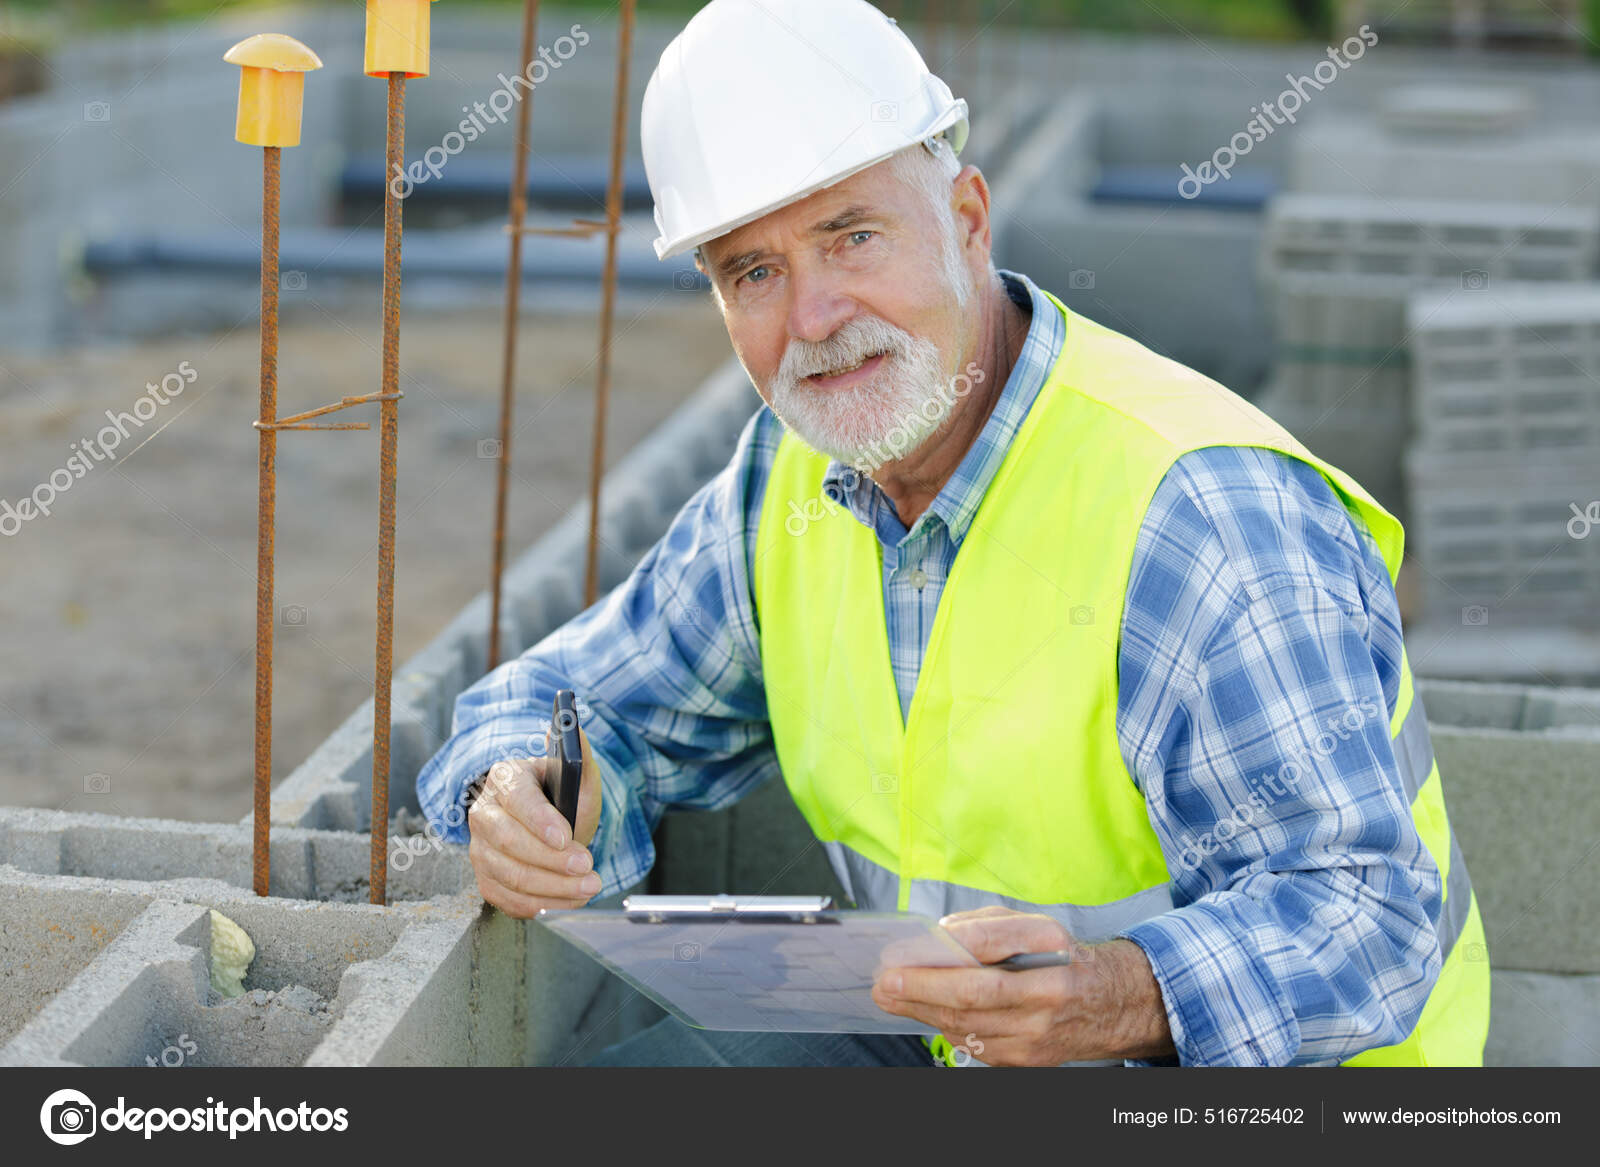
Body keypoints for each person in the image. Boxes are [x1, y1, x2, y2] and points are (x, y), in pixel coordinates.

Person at [416, 0, 1489, 1067]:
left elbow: (1366, 920)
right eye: (753, 271)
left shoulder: (1198, 512)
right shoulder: (788, 480)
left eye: (854, 238)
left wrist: (1118, 991)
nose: (814, 318)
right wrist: (514, 795)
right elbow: (569, 703)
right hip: (944, 1035)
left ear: (967, 218)